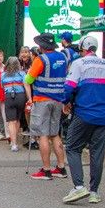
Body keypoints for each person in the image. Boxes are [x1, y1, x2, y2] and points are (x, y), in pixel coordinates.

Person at [61, 36, 105, 204]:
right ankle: (94, 192)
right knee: (97, 153)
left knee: (73, 147)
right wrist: (104, 95)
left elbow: (69, 88)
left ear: (83, 48)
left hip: (83, 113)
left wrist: (66, 102)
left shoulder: (78, 64)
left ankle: (79, 187)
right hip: (103, 114)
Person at [24, 33, 68, 181]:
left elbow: (29, 79)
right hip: (58, 99)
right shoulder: (63, 57)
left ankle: (46, 170)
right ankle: (61, 167)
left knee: (42, 134)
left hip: (42, 99)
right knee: (55, 134)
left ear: (41, 46)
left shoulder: (40, 59)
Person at [1, 56, 27, 152]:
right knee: (17, 119)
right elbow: (26, 85)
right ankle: (15, 140)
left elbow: (2, 86)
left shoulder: (3, 75)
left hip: (9, 96)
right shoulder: (22, 74)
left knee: (11, 121)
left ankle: (14, 143)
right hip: (21, 96)